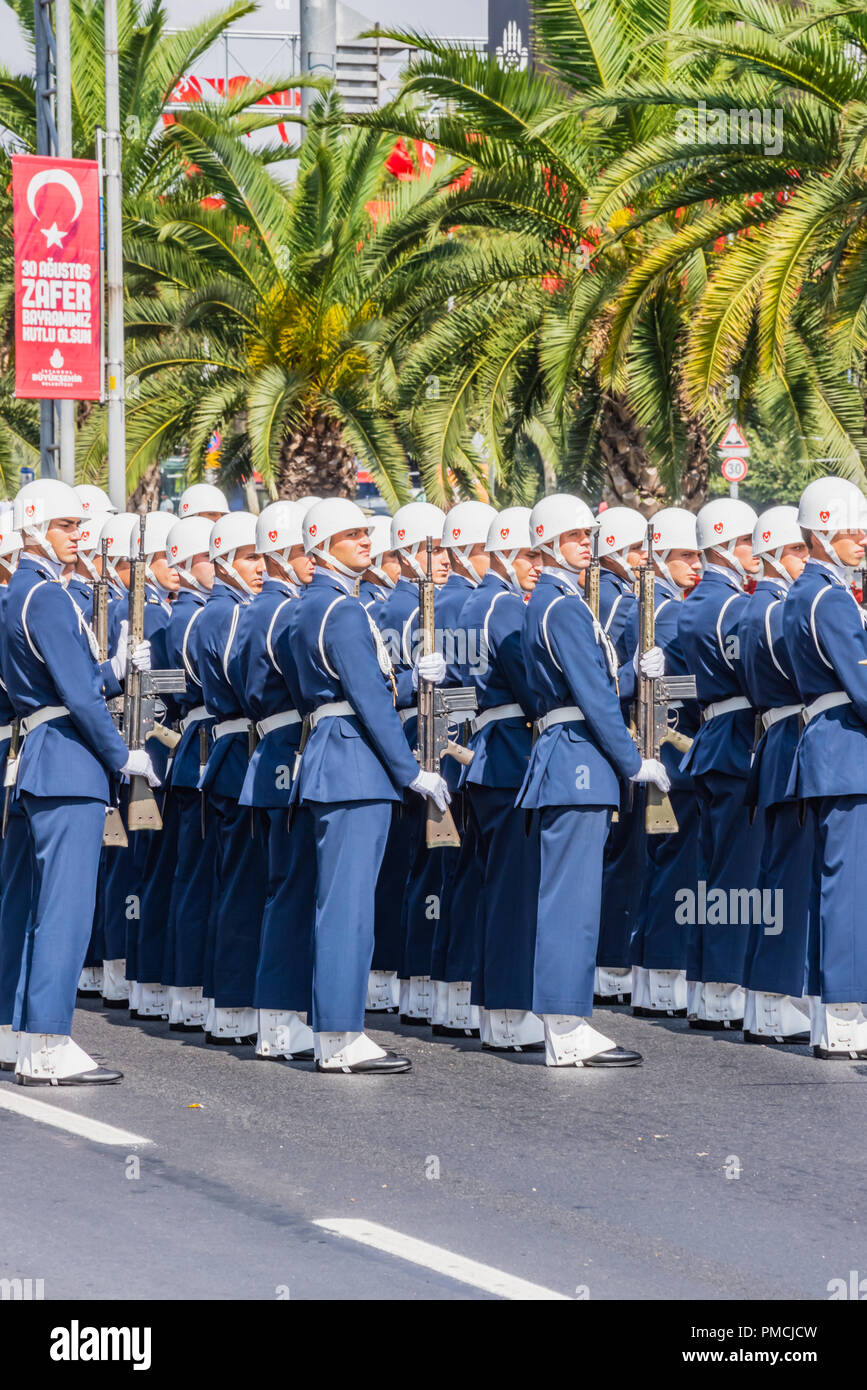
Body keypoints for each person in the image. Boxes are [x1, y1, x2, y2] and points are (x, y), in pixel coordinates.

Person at [288, 497, 450, 1072]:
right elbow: (367, 702)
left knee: (339, 905)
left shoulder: (310, 606)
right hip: (355, 765)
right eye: (351, 534)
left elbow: (348, 687)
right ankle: (339, 1035)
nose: (365, 541)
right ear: (322, 546)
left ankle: (334, 1029)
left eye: (365, 531)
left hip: (333, 758)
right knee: (349, 910)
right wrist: (412, 772)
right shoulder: (346, 611)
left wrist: (407, 681)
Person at [3, 480, 157, 1084]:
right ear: (37, 526)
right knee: (63, 911)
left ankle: (16, 1035)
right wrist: (122, 755)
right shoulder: (45, 597)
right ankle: (46, 1047)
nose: (79, 534)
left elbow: (64, 680)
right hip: (67, 760)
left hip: (40, 752)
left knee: (27, 905)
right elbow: (74, 693)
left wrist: (112, 672)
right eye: (67, 525)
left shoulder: (18, 593)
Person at [519, 493, 665, 1067]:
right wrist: (634, 760)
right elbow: (593, 697)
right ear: (552, 542)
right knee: (570, 902)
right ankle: (565, 1025)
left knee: (576, 900)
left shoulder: (564, 602)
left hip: (575, 756)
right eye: (578, 537)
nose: (590, 545)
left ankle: (567, 1019)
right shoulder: (562, 606)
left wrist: (632, 671)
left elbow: (598, 680)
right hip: (575, 759)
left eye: (591, 536)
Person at [781, 477, 867, 1058]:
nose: (861, 540)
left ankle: (832, 1013)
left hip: (827, 750)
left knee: (833, 885)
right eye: (850, 531)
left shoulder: (804, 592)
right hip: (846, 754)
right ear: (821, 534)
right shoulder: (830, 598)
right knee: (849, 889)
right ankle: (844, 1014)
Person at [459, 507, 545, 1050]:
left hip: (483, 754)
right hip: (510, 753)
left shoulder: (469, 602)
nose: (537, 567)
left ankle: (495, 1010)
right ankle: (511, 1011)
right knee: (514, 891)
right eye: (530, 556)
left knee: (492, 888)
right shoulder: (505, 605)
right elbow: (531, 681)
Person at [237, 501, 316, 1060]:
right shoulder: (286, 612)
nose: (311, 563)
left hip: (269, 753)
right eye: (303, 552)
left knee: (277, 892)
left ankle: (276, 1017)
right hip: (289, 753)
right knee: (293, 892)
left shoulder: (256, 608)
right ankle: (283, 1020)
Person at [678, 496, 761, 1030]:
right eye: (750, 540)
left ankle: (707, 984)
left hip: (711, 737)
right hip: (736, 739)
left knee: (711, 869)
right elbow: (756, 675)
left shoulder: (692, 604)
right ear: (728, 545)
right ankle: (726, 984)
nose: (757, 551)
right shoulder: (734, 606)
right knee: (736, 872)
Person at [621, 508, 702, 1018]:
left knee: (662, 860)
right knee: (675, 863)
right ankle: (664, 970)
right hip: (674, 743)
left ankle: (653, 970)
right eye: (685, 556)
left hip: (664, 739)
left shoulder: (657, 607)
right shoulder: (668, 612)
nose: (695, 565)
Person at [192, 512, 267, 1044]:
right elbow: (252, 687)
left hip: (227, 752)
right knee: (243, 886)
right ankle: (235, 1004)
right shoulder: (232, 615)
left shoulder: (219, 613)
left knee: (232, 884)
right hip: (240, 752)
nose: (260, 567)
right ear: (223, 563)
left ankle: (227, 1001)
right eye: (249, 557)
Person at [738, 506, 811, 1045]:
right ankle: (776, 997)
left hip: (780, 741)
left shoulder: (760, 607)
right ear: (772, 556)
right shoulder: (773, 610)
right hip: (790, 742)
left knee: (779, 878)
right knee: (787, 879)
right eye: (797, 551)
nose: (805, 560)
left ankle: (768, 999)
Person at [377, 501, 449, 1024]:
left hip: (429, 739)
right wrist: (410, 682)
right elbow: (380, 688)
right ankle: (393, 971)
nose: (444, 559)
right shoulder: (396, 611)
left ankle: (403, 968)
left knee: (422, 863)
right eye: (434, 550)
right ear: (405, 555)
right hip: (407, 743)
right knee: (404, 864)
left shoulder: (429, 607)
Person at [430, 500, 497, 1036]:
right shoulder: (475, 604)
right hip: (471, 745)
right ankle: (462, 991)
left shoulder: (455, 603)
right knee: (472, 874)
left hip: (457, 743)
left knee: (459, 874)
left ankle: (449, 992)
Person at [160, 515, 216, 1031]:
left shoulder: (184, 614)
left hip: (189, 750)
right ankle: (187, 987)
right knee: (195, 877)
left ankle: (181, 986)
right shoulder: (193, 618)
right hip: (196, 750)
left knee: (188, 876)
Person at [594, 505, 648, 1005]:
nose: (643, 558)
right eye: (635, 550)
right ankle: (609, 961)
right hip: (613, 734)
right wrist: (638, 671)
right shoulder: (621, 604)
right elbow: (607, 678)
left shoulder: (615, 597)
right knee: (619, 855)